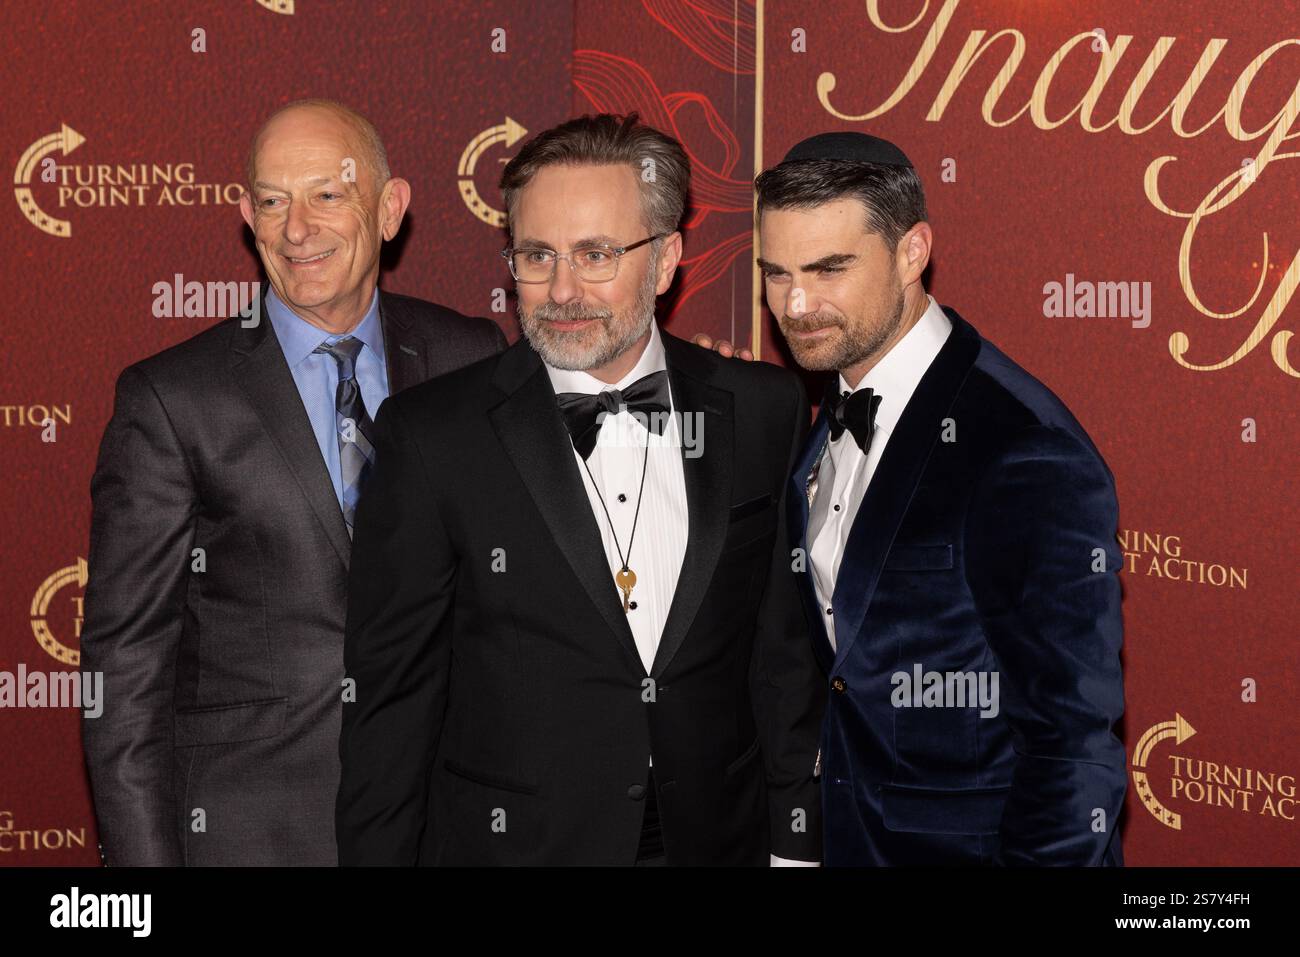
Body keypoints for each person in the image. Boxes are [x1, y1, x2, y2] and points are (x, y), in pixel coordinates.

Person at [336, 113, 825, 866]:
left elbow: (783, 661)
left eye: (596, 254)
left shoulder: (764, 409)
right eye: (536, 255)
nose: (561, 290)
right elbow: (391, 710)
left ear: (664, 261)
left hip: (718, 840)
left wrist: (797, 844)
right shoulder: (432, 436)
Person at [80, 99, 506, 866]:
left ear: (390, 208)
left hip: (445, 829)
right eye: (272, 201)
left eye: (327, 194)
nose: (296, 228)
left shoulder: (469, 357)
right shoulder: (174, 398)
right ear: (246, 215)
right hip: (251, 836)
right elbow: (125, 673)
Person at [706, 131, 1126, 865]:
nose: (796, 304)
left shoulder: (1023, 448)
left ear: (912, 251)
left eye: (830, 268)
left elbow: (1073, 750)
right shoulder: (823, 411)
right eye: (777, 273)